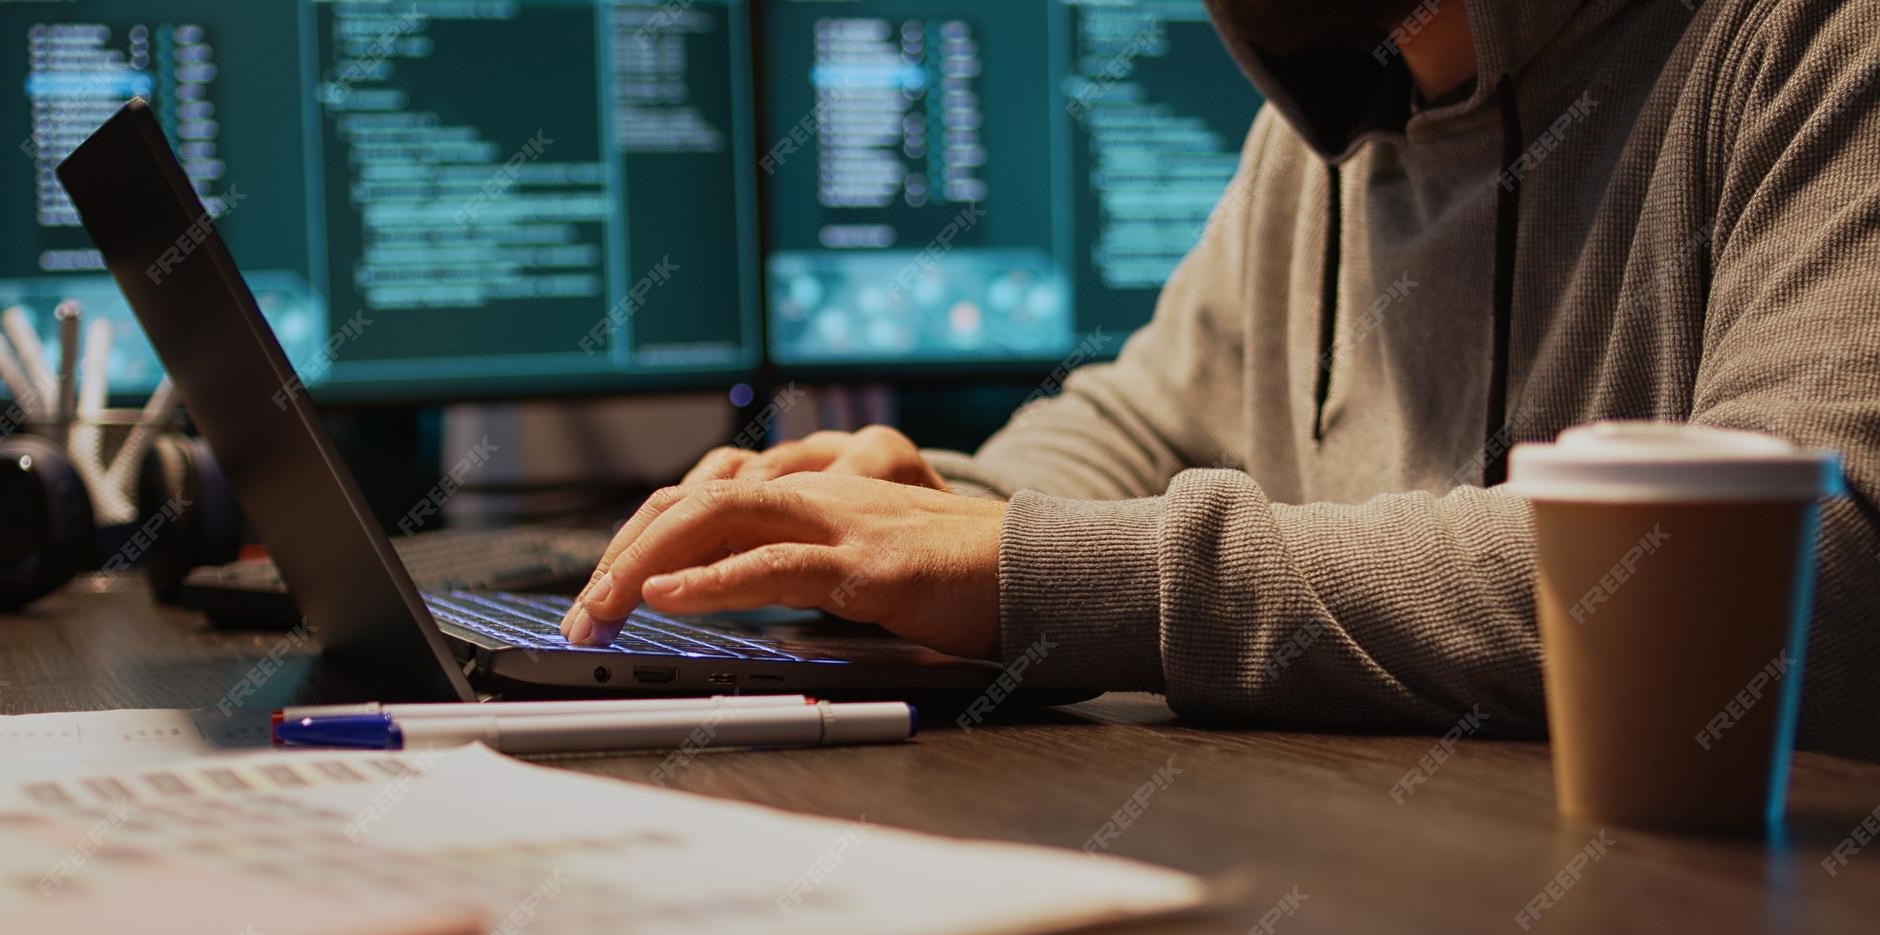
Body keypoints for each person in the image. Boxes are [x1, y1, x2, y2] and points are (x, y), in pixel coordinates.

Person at [562, 0, 1880, 755]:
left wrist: (1042, 570)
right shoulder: (1317, 145)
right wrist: (908, 510)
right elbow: (1139, 422)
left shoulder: (1812, 48)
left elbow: (1812, 570)